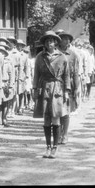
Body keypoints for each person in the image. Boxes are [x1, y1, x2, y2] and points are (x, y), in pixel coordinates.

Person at [32, 31, 71, 159]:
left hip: (58, 89)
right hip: (45, 88)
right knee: (46, 118)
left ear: (56, 43)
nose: (50, 43)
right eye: (47, 41)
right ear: (44, 43)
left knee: (56, 117)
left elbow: (66, 75)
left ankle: (55, 147)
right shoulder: (40, 57)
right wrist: (34, 89)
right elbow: (36, 74)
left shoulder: (62, 57)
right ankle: (47, 146)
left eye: (52, 40)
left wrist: (66, 91)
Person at [57, 31, 81, 145]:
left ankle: (65, 134)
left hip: (69, 85)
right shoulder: (54, 53)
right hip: (56, 84)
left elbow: (76, 72)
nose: (66, 41)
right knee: (56, 110)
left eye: (67, 39)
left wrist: (76, 88)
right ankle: (58, 133)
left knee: (66, 111)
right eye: (63, 39)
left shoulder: (73, 55)